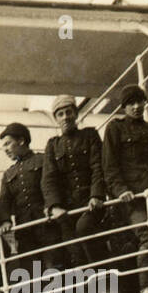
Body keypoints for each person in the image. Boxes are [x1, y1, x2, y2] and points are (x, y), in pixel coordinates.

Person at [0, 121, 71, 293]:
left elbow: (52, 184)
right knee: (34, 274)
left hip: (47, 226)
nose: (5, 149)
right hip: (26, 232)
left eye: (8, 143)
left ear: (21, 140)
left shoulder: (42, 160)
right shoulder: (8, 174)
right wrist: (5, 221)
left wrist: (51, 205)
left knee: (54, 267)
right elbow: (3, 202)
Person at [101, 87, 148, 293]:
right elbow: (109, 166)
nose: (137, 106)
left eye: (140, 102)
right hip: (133, 199)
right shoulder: (115, 129)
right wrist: (121, 190)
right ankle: (145, 288)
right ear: (124, 107)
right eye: (131, 103)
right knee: (147, 236)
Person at [41, 95, 108, 278]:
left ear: (76, 114)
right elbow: (49, 178)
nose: (65, 117)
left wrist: (97, 195)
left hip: (90, 203)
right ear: (56, 119)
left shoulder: (90, 135)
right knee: (75, 253)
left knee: (84, 229)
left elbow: (97, 167)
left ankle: (106, 287)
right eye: (60, 114)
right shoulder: (53, 146)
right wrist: (54, 205)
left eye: (69, 112)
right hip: (67, 209)